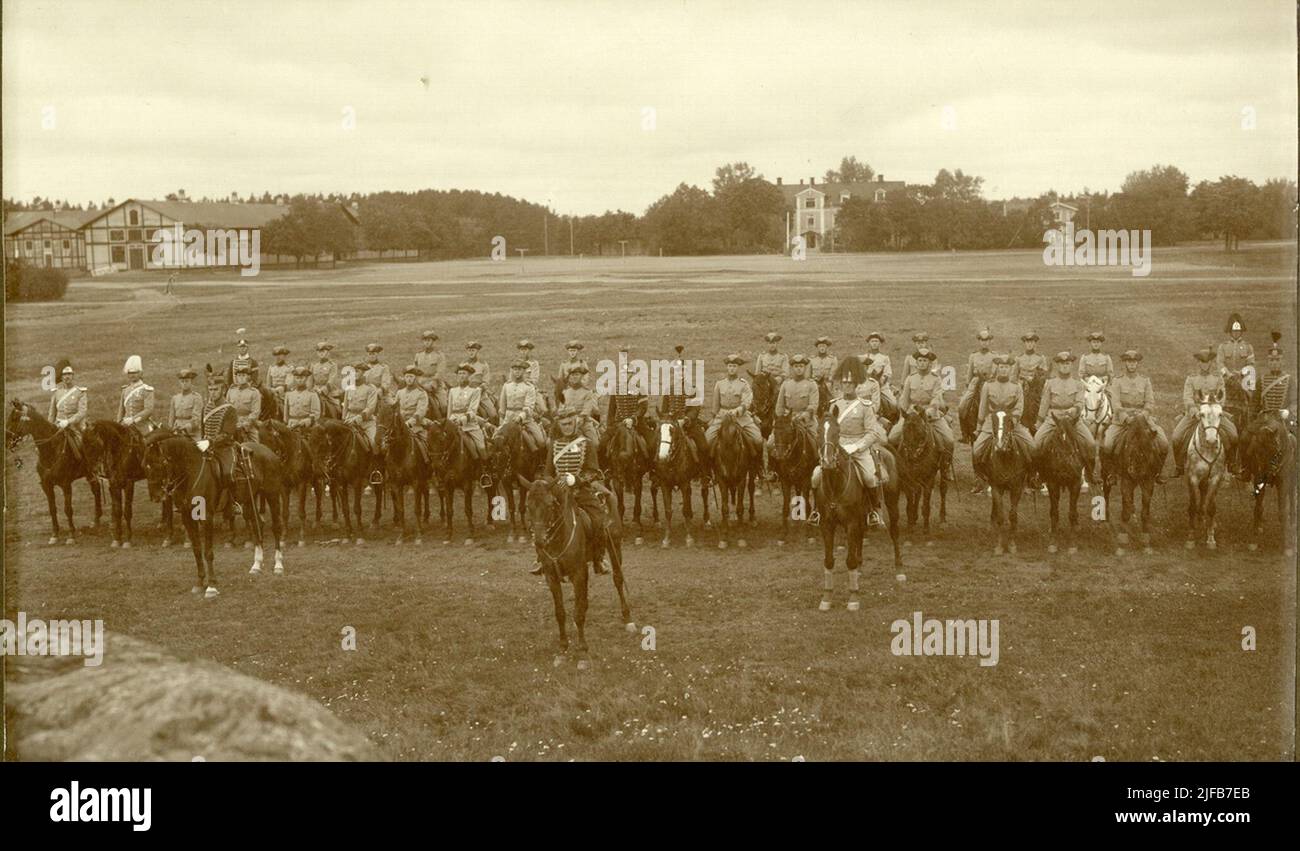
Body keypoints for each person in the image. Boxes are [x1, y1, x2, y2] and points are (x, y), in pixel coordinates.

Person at [529, 404, 618, 576]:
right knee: (540, 517)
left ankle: (599, 558)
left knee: (598, 519)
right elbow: (547, 472)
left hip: (581, 492)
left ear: (575, 422)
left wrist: (575, 479)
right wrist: (554, 482)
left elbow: (593, 471)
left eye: (570, 423)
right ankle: (540, 558)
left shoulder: (587, 443)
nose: (567, 427)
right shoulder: (553, 445)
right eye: (564, 424)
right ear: (559, 425)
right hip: (558, 492)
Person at [813, 357, 888, 526]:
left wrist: (857, 446)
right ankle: (817, 511)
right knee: (816, 476)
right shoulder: (833, 405)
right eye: (844, 383)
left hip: (859, 448)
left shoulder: (864, 405)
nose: (846, 386)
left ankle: (873, 511)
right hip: (837, 447)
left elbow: (872, 433)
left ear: (856, 385)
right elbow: (828, 429)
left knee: (870, 477)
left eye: (850, 383)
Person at [1170, 348, 1238, 477]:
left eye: (1207, 362)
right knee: (1176, 437)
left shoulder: (1218, 378)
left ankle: (1231, 464)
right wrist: (1195, 411)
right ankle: (1179, 466)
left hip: (1213, 414)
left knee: (1233, 435)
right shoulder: (1191, 379)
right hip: (1195, 414)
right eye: (1202, 362)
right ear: (1198, 363)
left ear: (1211, 363)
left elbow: (1222, 397)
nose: (1205, 365)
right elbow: (1187, 398)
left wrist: (1215, 409)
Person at [890, 349, 955, 481]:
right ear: (916, 363)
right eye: (919, 360)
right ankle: (897, 467)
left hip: (930, 414)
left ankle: (945, 467)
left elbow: (937, 398)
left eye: (925, 361)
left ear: (930, 363)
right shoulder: (910, 378)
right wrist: (905, 412)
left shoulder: (936, 379)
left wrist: (929, 411)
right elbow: (904, 397)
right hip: (911, 413)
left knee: (949, 440)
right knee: (892, 438)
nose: (922, 363)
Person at [1102, 350, 1169, 470]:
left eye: (1134, 362)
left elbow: (1150, 401)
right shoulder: (1117, 381)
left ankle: (1158, 471)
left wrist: (1143, 415)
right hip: (1122, 421)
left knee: (1164, 443)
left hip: (1143, 418)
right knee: (1108, 445)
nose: (1132, 364)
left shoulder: (1145, 381)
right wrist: (1126, 418)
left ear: (1137, 363)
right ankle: (1111, 472)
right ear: (1125, 363)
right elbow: (1116, 403)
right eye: (1129, 362)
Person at [1034, 351, 1097, 478]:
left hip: (1073, 420)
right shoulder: (1050, 383)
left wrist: (1074, 410)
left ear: (1071, 365)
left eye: (1067, 364)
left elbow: (1080, 402)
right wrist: (1039, 422)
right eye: (1062, 364)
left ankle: (1090, 474)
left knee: (1090, 443)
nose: (1064, 366)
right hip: (1053, 419)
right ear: (1057, 365)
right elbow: (1044, 404)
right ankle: (1039, 474)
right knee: (1036, 443)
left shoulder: (1078, 384)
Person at [973, 355, 1034, 467]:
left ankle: (1031, 477)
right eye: (1001, 367)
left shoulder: (1016, 386)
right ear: (997, 368)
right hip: (992, 423)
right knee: (976, 450)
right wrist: (979, 428)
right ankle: (980, 477)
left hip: (1011, 423)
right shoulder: (988, 385)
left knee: (1032, 446)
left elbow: (1019, 406)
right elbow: (982, 407)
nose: (1003, 370)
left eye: (1006, 367)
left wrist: (1013, 420)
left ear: (1010, 369)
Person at [705, 354, 764, 463]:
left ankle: (757, 468)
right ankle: (709, 472)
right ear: (727, 367)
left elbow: (747, 401)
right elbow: (716, 403)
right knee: (707, 440)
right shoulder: (719, 384)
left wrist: (738, 410)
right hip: (722, 416)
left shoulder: (744, 384)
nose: (732, 368)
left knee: (758, 440)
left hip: (741, 417)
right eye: (730, 366)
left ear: (738, 368)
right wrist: (714, 417)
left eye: (734, 366)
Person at [771, 354, 820, 446]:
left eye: (801, 366)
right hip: (787, 420)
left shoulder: (811, 384)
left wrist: (804, 415)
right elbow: (780, 405)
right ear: (792, 368)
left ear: (805, 368)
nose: (798, 369)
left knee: (815, 443)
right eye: (796, 366)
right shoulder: (786, 384)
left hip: (807, 421)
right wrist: (780, 419)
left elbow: (813, 405)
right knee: (770, 445)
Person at [498, 359, 546, 451]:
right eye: (515, 369)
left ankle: (540, 463)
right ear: (512, 371)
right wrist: (501, 421)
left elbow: (529, 406)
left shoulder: (529, 387)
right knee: (496, 440)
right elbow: (502, 405)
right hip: (508, 419)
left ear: (524, 371)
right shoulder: (507, 386)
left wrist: (520, 417)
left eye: (519, 369)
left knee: (541, 441)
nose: (517, 372)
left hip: (526, 420)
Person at [447, 363, 487, 460]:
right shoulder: (453, 390)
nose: (461, 376)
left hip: (470, 425)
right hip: (454, 424)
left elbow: (473, 410)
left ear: (469, 376)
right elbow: (449, 410)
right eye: (459, 374)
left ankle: (486, 469)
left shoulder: (475, 391)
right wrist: (449, 421)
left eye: (464, 374)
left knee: (481, 447)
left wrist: (462, 420)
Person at [49, 364, 88, 461]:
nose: (67, 377)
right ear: (61, 377)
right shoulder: (56, 392)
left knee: (84, 446)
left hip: (75, 427)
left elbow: (82, 412)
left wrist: (68, 422)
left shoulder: (80, 392)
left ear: (73, 376)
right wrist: (50, 426)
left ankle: (89, 469)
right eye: (65, 375)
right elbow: (52, 413)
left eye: (69, 374)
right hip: (58, 426)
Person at [1253, 332, 1295, 420]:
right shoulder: (1261, 380)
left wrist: (1288, 411)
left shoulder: (1289, 380)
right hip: (1265, 419)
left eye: (1277, 360)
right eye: (1271, 360)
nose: (1274, 363)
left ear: (1282, 362)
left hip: (1284, 419)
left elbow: (1295, 401)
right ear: (1268, 362)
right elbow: (1254, 404)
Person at [957, 328, 997, 419]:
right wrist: (968, 387)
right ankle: (965, 431)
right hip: (974, 383)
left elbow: (995, 374)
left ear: (990, 341)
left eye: (986, 340)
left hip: (988, 384)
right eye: (982, 340)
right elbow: (969, 373)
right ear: (979, 341)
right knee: (962, 406)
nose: (984, 343)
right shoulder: (973, 356)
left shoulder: (994, 356)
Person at [395, 366, 432, 462]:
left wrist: (410, 422)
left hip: (416, 425)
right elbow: (395, 408)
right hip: (400, 426)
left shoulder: (421, 393)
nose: (409, 379)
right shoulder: (400, 392)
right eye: (407, 376)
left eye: (411, 376)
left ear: (415, 378)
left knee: (426, 443)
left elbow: (420, 411)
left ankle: (428, 463)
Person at [118, 355, 156, 436]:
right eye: (130, 373)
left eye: (135, 372)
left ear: (141, 373)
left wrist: (133, 420)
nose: (132, 375)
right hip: (126, 426)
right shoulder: (125, 390)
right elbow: (121, 410)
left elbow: (148, 410)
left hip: (142, 427)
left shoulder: (147, 389)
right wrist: (119, 423)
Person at [226, 365, 262, 443]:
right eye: (239, 375)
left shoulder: (254, 392)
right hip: (233, 423)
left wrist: (245, 424)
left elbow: (255, 412)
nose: (241, 377)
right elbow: (227, 409)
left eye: (243, 375)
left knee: (255, 443)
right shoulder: (231, 391)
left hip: (249, 425)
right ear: (236, 377)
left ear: (248, 377)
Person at [167, 368, 205, 439]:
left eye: (187, 381)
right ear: (179, 382)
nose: (184, 383)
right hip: (176, 431)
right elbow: (171, 418)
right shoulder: (175, 398)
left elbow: (197, 419)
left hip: (192, 434)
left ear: (191, 382)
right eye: (182, 381)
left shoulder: (196, 398)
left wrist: (185, 427)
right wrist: (171, 429)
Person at [1217, 312, 1254, 377]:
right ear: (1230, 331)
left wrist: (1241, 373)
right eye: (1234, 330)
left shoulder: (1248, 347)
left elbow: (1250, 366)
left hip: (1242, 381)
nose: (1236, 333)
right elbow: (1220, 365)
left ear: (1241, 331)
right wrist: (1227, 374)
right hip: (1226, 381)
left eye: (1238, 330)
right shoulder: (1223, 347)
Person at [464, 341, 495, 420]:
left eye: (473, 350)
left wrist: (479, 389)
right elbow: (460, 379)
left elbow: (486, 381)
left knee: (493, 414)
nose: (471, 352)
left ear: (477, 351)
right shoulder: (463, 364)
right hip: (467, 394)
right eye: (469, 350)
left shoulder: (483, 364)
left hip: (481, 394)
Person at [415, 331, 446, 404]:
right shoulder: (418, 355)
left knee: (443, 405)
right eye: (425, 340)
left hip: (435, 384)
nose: (426, 343)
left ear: (433, 342)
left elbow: (440, 372)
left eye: (429, 340)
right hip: (420, 383)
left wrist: (433, 382)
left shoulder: (439, 355)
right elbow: (415, 371)